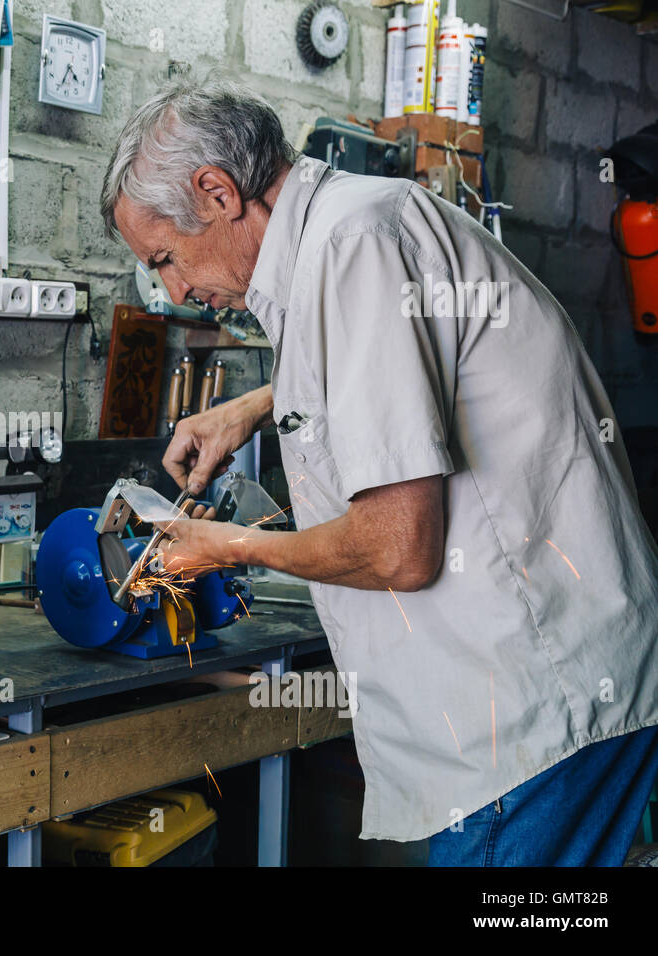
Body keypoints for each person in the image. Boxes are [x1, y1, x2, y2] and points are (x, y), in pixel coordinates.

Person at [100, 78, 658, 865]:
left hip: (531, 715)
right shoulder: (353, 225)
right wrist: (256, 404)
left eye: (164, 258)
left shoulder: (351, 248)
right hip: (555, 691)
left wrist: (225, 545)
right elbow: (417, 360)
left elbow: (399, 547)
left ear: (217, 192)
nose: (175, 289)